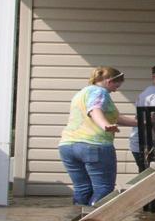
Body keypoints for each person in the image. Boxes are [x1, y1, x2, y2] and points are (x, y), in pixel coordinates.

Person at [58, 66, 137, 209]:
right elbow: (94, 110)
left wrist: (140, 123)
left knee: (82, 188)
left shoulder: (81, 93)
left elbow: (115, 117)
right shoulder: (100, 92)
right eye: (117, 83)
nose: (118, 88)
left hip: (67, 146)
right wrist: (105, 125)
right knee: (104, 189)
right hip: (93, 146)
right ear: (109, 81)